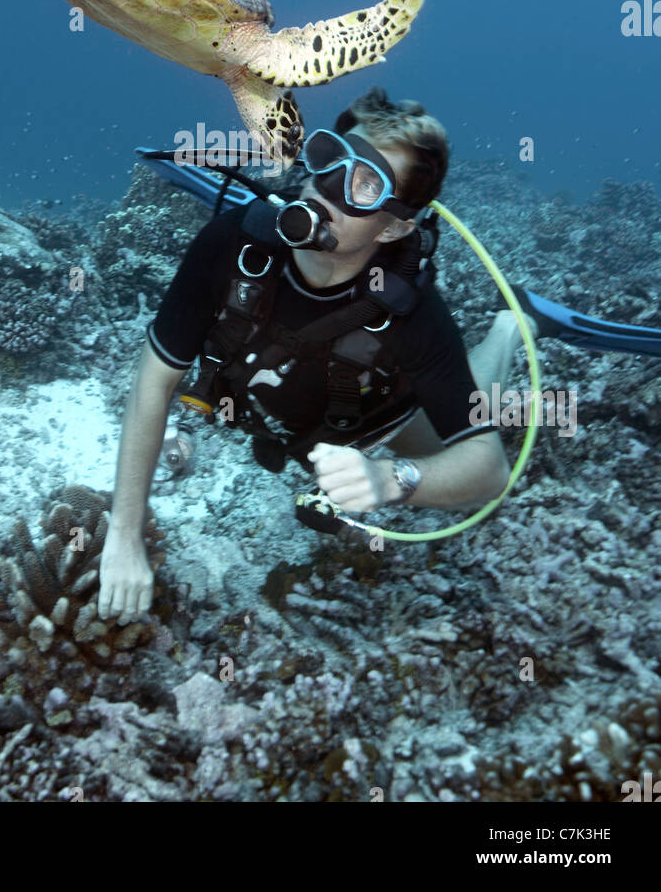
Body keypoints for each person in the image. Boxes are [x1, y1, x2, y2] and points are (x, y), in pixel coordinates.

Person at [98, 89, 533, 624]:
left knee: (453, 430)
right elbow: (153, 382)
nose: (327, 190)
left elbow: (488, 469)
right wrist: (125, 533)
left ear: (394, 225)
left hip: (379, 425)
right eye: (330, 160)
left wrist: (390, 480)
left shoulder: (412, 314)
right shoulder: (231, 244)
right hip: (277, 415)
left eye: (366, 183)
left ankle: (508, 331)